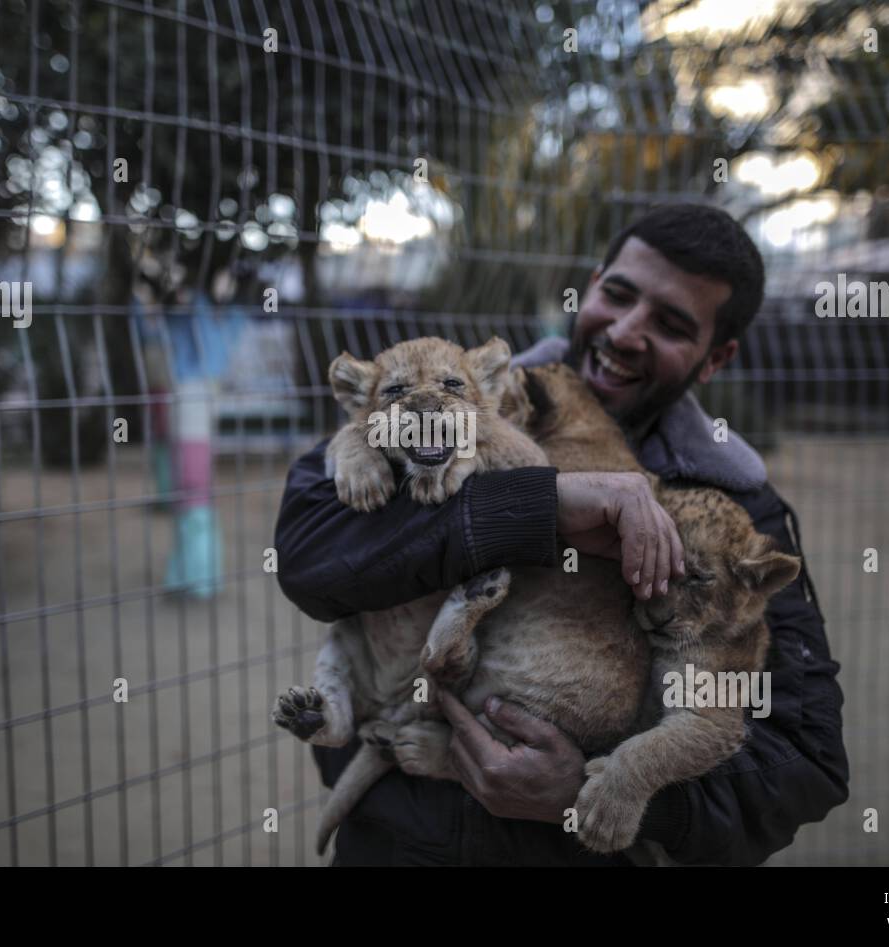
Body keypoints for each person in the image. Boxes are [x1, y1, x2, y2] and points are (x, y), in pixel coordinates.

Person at [273, 203, 849, 866]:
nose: (628, 332)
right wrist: (532, 508)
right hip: (397, 843)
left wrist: (596, 793)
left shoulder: (736, 516)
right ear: (594, 281)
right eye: (619, 294)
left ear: (716, 357)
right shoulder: (463, 395)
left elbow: (805, 761)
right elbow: (308, 556)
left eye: (670, 324)